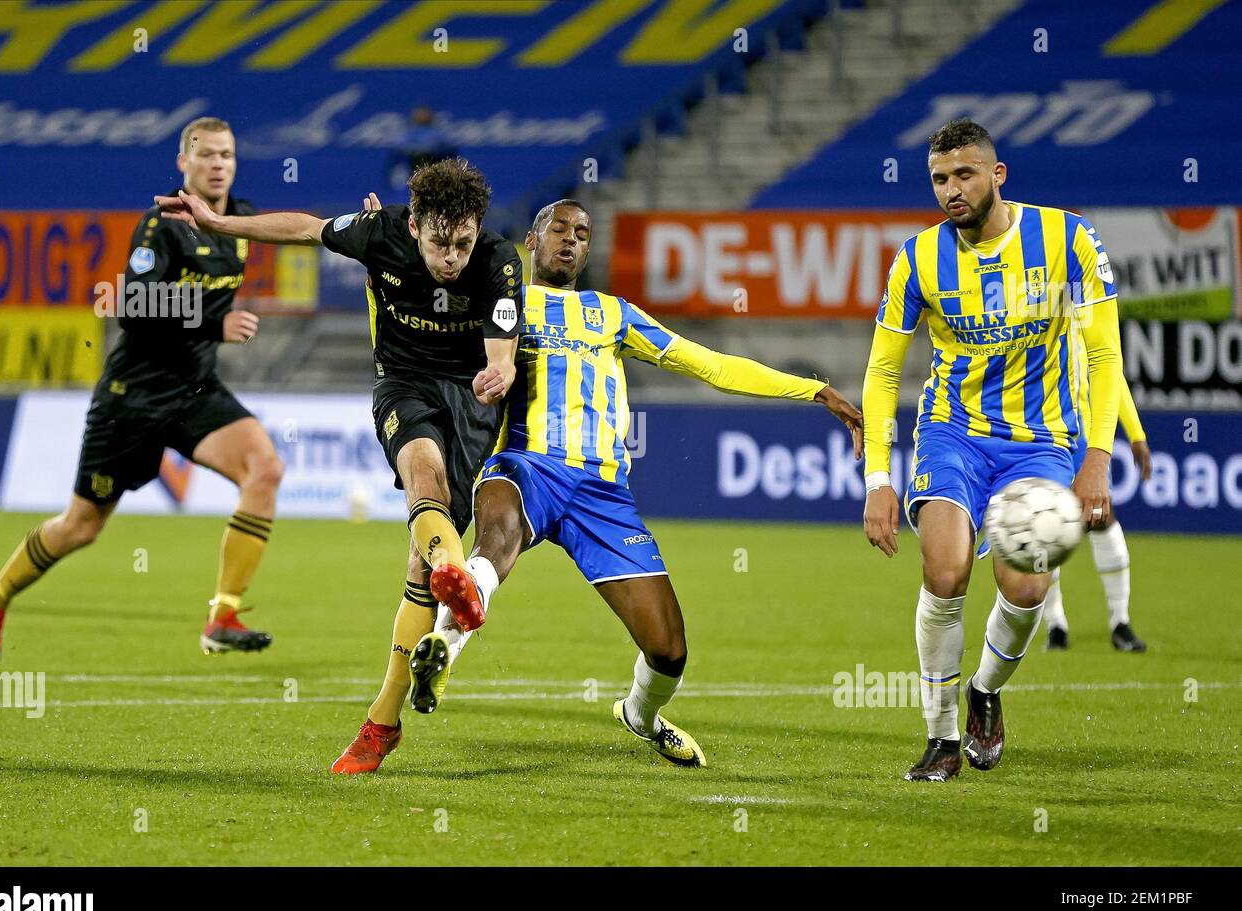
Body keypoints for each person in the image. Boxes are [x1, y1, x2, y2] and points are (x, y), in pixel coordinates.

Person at [333, 198, 864, 773]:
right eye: (556, 229)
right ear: (530, 243)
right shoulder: (499, 300)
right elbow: (412, 303)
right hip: (525, 466)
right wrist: (388, 238)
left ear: (589, 249)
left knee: (668, 650)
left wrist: (811, 389)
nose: (569, 239)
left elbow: (707, 363)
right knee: (496, 536)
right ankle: (443, 648)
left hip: (602, 494)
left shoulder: (614, 315)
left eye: (582, 233)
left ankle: (641, 715)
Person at [156, 159, 523, 768]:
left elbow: (502, 351)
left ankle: (383, 722)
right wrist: (219, 222)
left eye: (462, 242)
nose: (452, 257)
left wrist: (501, 372)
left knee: (417, 560)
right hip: (403, 386)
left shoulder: (499, 259)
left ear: (477, 228)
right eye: (439, 242)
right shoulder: (378, 234)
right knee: (421, 475)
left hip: (471, 403)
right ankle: (456, 580)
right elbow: (303, 228)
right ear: (414, 226)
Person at [861, 118, 1123, 782]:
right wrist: (877, 479)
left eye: (965, 174)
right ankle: (942, 736)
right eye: (940, 179)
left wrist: (1099, 456)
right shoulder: (917, 259)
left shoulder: (1068, 238)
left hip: (1042, 442)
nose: (951, 190)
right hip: (952, 434)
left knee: (1026, 584)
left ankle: (984, 690)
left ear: (997, 174)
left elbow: (1102, 352)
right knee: (945, 572)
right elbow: (883, 372)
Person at [0, 117, 282, 670]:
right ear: (182, 163)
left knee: (264, 468)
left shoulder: (245, 220)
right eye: (206, 155)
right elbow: (131, 304)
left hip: (194, 391)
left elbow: (303, 232)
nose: (217, 165)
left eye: (227, 155)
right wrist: (215, 324)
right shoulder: (160, 226)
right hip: (132, 397)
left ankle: (222, 616)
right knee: (81, 527)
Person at [1045, 375, 1151, 652]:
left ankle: (1120, 622)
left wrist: (1136, 433)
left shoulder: (1084, 331)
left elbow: (1112, 373)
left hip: (1079, 433)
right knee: (1044, 525)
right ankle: (1055, 626)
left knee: (1100, 516)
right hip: (1036, 434)